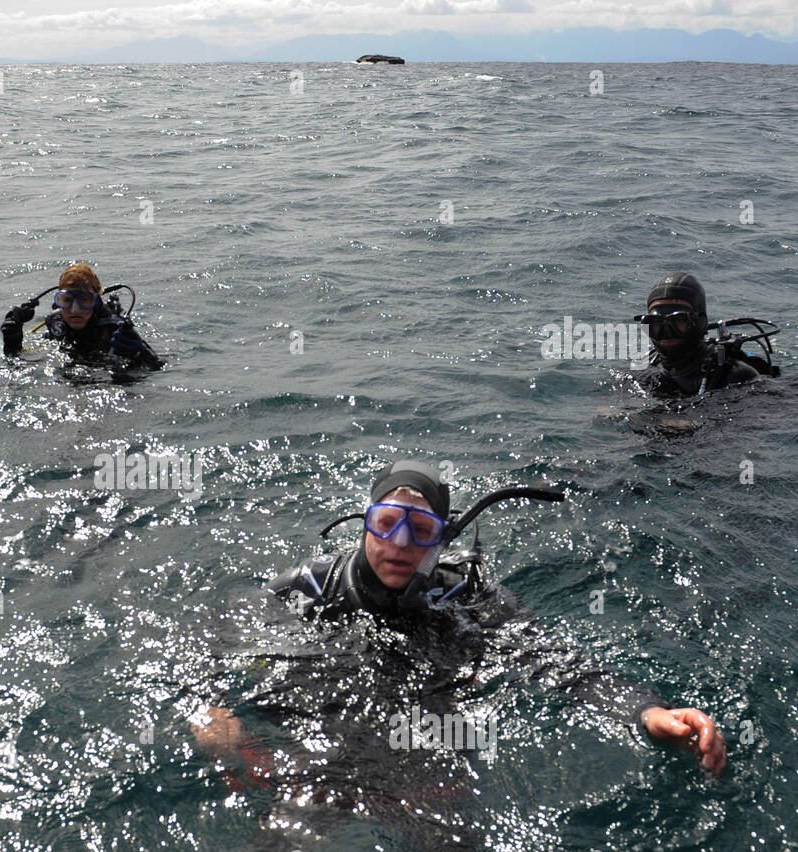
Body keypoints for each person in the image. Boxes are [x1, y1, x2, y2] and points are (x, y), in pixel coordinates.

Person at [194, 459, 726, 780]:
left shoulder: (468, 599)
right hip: (319, 747)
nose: (399, 544)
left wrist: (646, 712)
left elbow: (563, 667)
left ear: (442, 539)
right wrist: (213, 712)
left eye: (421, 530)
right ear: (363, 524)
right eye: (385, 522)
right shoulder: (311, 585)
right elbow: (215, 637)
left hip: (426, 753)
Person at [0, 262, 164, 372]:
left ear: (96, 301)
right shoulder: (57, 327)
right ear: (59, 302)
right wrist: (13, 344)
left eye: (85, 300)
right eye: (67, 300)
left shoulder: (115, 330)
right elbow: (23, 364)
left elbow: (160, 369)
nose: (75, 310)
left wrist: (139, 354)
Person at [636, 272, 778, 397]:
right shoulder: (646, 368)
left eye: (678, 321)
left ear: (700, 323)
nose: (666, 332)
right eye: (655, 323)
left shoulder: (736, 376)